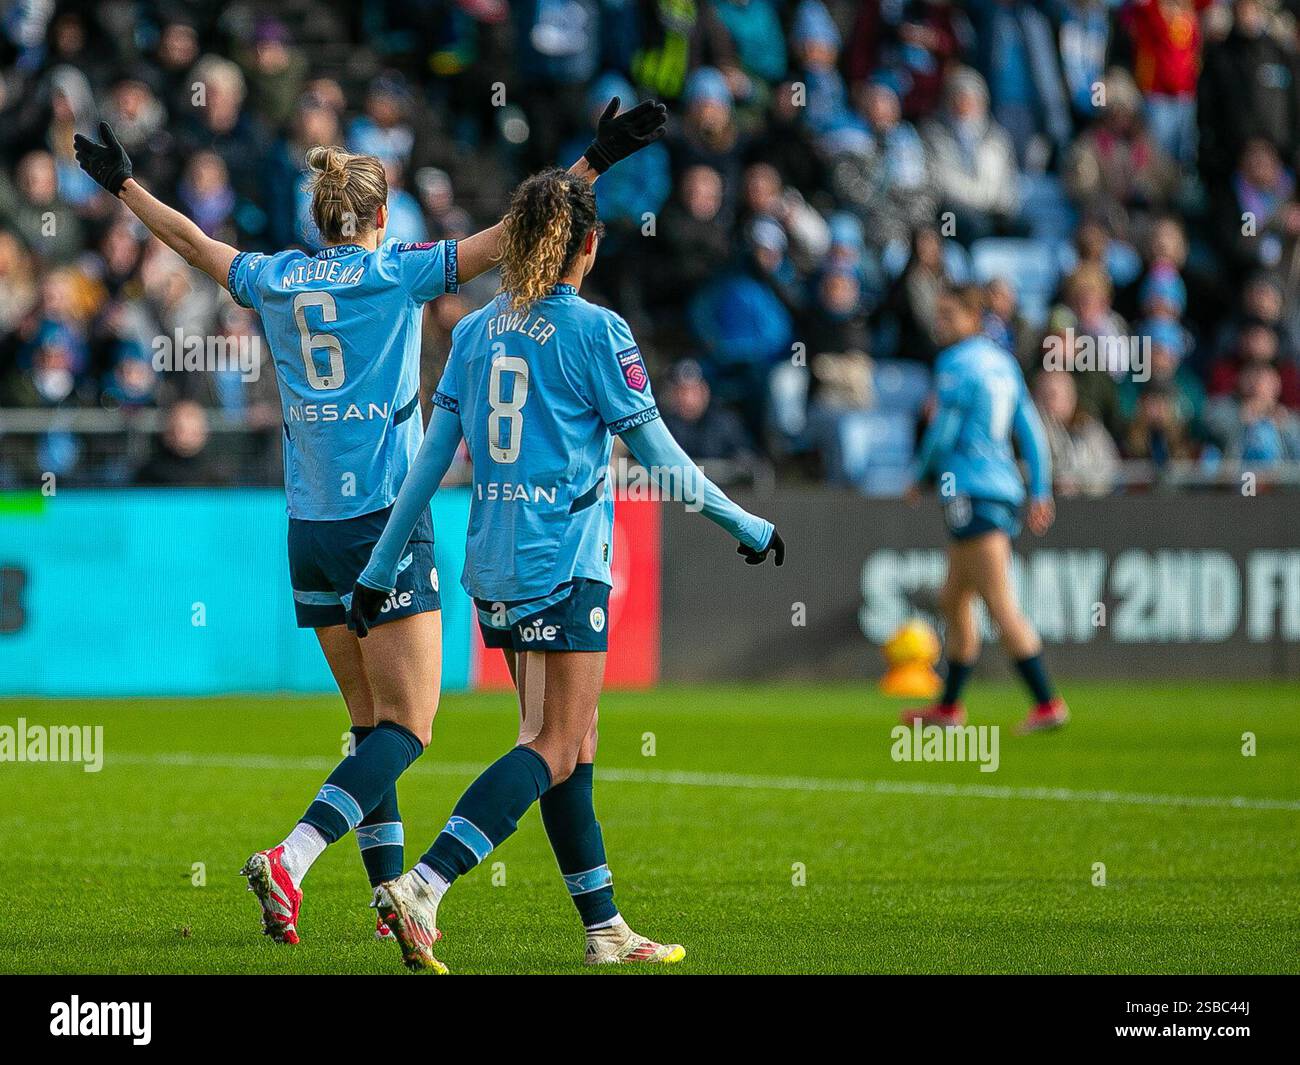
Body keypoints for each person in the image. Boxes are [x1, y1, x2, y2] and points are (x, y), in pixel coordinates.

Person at [72, 98, 667, 947]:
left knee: (369, 727)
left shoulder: (277, 277)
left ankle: (393, 907)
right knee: (410, 725)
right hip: (382, 520)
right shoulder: (400, 272)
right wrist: (596, 160)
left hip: (306, 526)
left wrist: (125, 184)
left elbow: (192, 244)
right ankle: (295, 854)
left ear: (317, 220)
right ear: (383, 217)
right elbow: (519, 230)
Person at [350, 169, 784, 972]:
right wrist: (745, 522)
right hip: (566, 561)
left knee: (570, 745)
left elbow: (426, 465)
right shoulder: (599, 332)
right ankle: (424, 886)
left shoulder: (476, 331)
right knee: (553, 744)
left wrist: (380, 567)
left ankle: (605, 929)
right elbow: (661, 458)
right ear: (589, 243)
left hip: (494, 564)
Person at [904, 284, 1069, 735]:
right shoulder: (1003, 364)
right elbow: (1031, 432)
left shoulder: (956, 363)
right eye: (938, 315)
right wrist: (1039, 489)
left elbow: (944, 430)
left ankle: (1047, 702)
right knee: (954, 598)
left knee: (998, 602)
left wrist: (920, 474)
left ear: (974, 317)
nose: (940, 324)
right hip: (1000, 489)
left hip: (971, 489)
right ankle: (949, 708)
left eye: (949, 315)